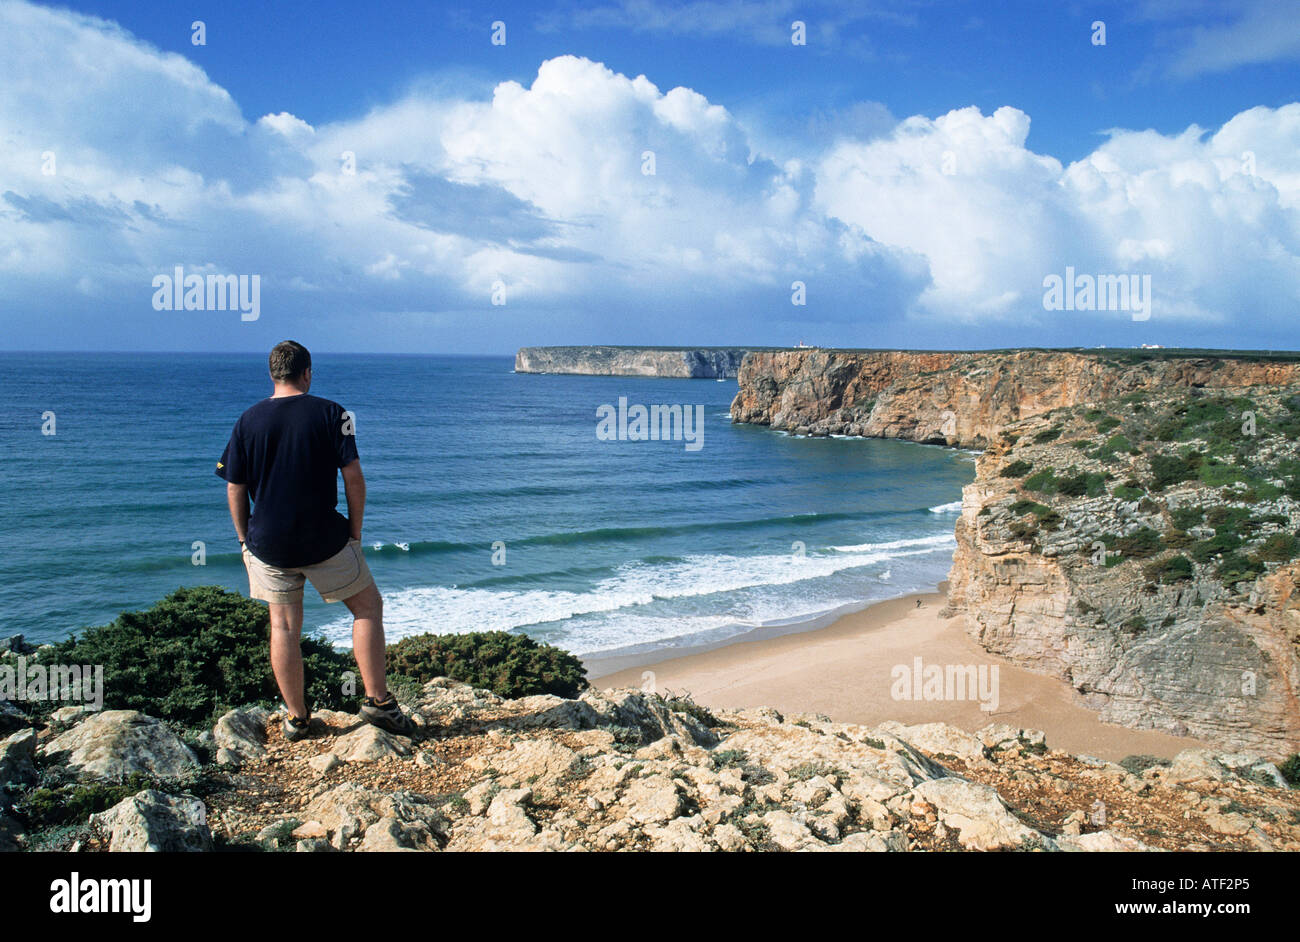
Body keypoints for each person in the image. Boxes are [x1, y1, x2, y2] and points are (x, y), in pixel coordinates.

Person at [215, 340, 413, 740]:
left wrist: (243, 539)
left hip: (268, 543)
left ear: (272, 375)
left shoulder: (247, 420)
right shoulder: (332, 413)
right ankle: (378, 703)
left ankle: (297, 718)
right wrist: (354, 533)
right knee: (367, 608)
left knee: (284, 626)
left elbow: (235, 487)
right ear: (307, 373)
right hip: (325, 539)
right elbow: (353, 479)